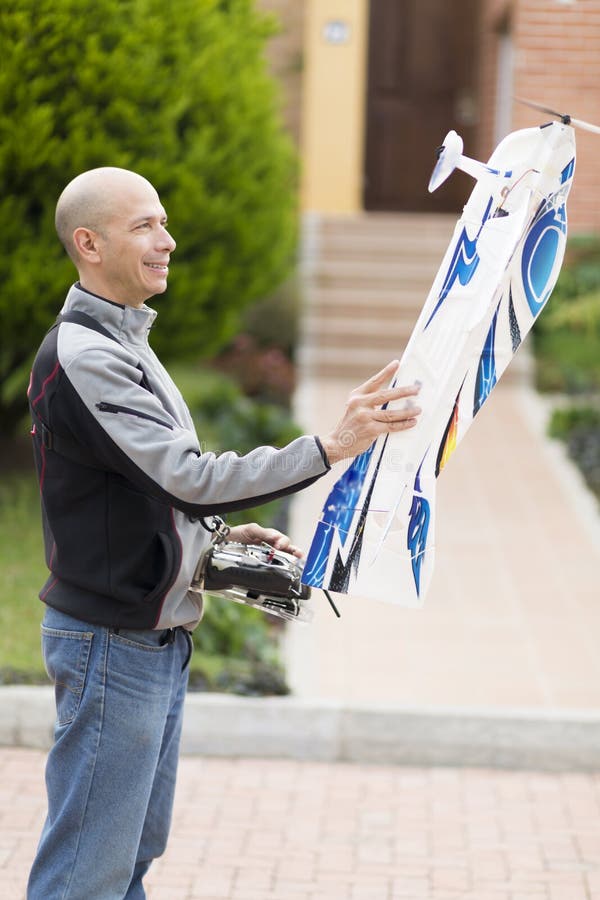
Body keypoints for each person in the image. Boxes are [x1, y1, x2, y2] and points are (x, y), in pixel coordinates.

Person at [26, 166, 421, 899]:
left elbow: (146, 487)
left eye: (163, 222)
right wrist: (330, 449)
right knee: (86, 874)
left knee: (127, 857)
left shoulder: (125, 340)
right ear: (89, 243)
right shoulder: (86, 357)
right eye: (143, 226)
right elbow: (187, 474)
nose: (167, 241)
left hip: (149, 640)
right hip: (113, 642)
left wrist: (219, 542)